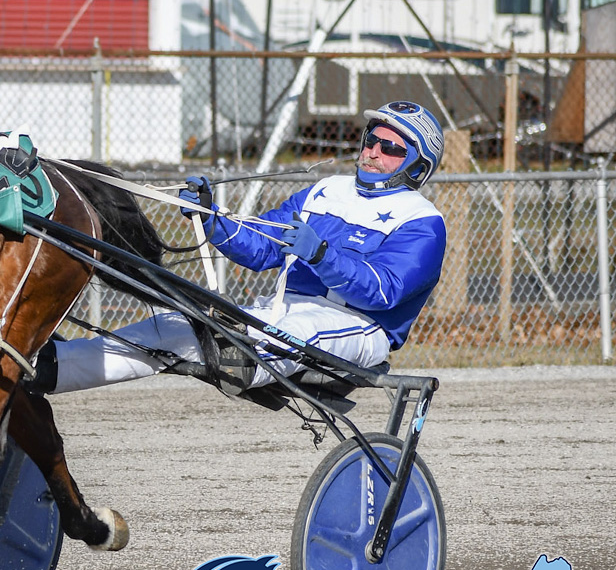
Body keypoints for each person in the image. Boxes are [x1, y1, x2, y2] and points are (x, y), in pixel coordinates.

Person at [32, 100, 448, 394]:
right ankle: (50, 368)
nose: (372, 152)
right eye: (370, 140)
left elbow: (383, 291)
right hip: (280, 312)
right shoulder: (325, 190)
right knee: (172, 327)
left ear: (418, 164)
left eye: (390, 148)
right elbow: (263, 245)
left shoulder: (422, 221)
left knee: (291, 331)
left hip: (358, 328)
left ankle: (245, 359)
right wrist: (214, 219)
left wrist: (321, 255)